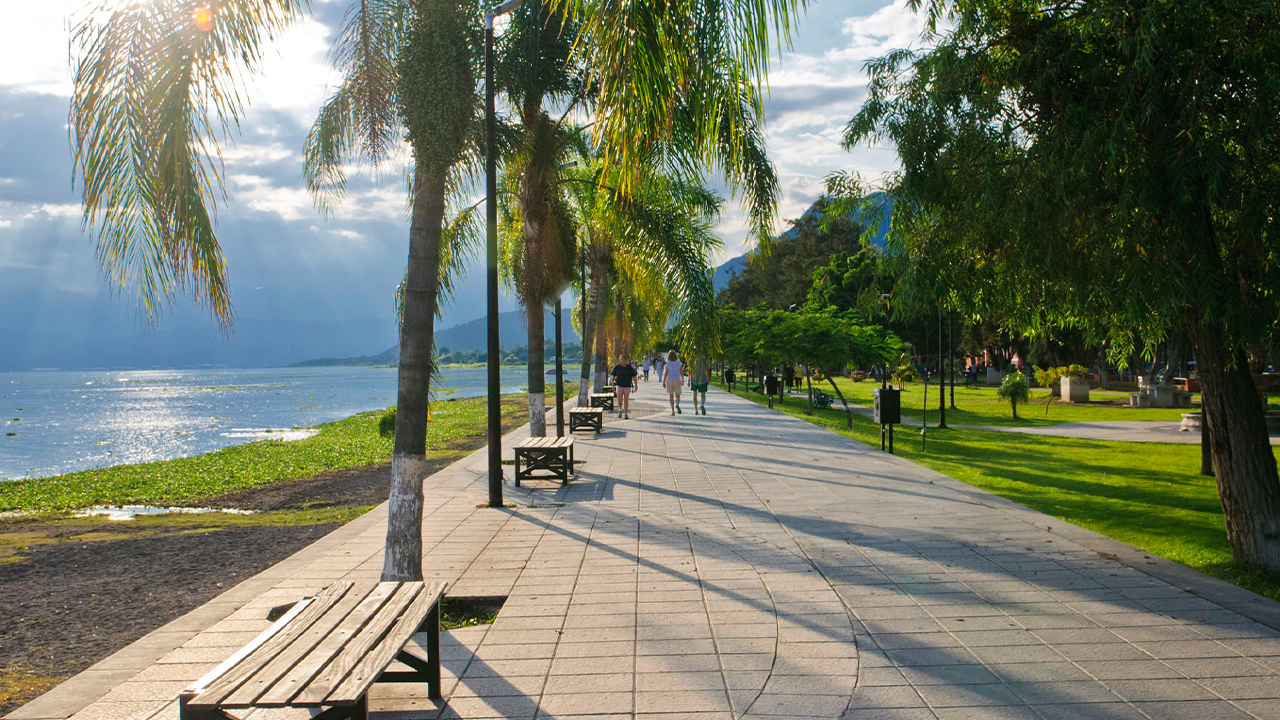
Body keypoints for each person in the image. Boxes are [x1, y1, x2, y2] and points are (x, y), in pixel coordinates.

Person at [610, 353, 638, 419]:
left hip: (627, 385)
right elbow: (612, 376)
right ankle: (620, 410)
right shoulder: (617, 367)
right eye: (620, 359)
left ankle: (625, 413)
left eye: (623, 359)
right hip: (619, 385)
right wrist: (613, 385)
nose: (621, 360)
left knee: (626, 400)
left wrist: (636, 385)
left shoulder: (629, 367)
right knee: (619, 400)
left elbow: (634, 376)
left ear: (625, 360)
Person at [662, 349, 684, 415]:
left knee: (671, 396)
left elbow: (666, 373)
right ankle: (677, 404)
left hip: (669, 380)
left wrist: (663, 381)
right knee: (678, 395)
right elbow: (681, 372)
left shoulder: (667, 363)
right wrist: (682, 379)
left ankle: (673, 411)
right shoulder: (679, 362)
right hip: (677, 379)